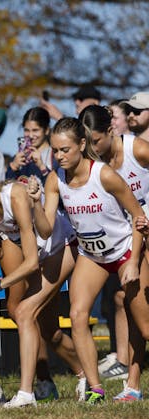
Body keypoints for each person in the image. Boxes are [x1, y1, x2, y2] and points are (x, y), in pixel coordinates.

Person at [0, 160, 84, 407]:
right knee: (49, 331)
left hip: (62, 248)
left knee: (24, 312)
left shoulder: (14, 196)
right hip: (34, 251)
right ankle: (85, 375)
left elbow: (32, 262)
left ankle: (26, 393)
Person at [39, 117, 149, 403]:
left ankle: (133, 385)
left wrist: (135, 261)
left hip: (125, 250)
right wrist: (33, 202)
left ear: (82, 145)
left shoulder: (104, 175)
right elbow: (46, 228)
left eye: (65, 150)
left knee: (146, 327)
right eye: (55, 150)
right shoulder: (55, 179)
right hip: (92, 256)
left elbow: (139, 218)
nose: (59, 156)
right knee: (77, 315)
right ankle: (95, 389)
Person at [80, 104, 149, 393]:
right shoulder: (95, 164)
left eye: (96, 141)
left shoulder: (139, 150)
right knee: (127, 301)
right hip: (128, 238)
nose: (92, 149)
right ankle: (132, 383)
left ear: (111, 130)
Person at [5, 107, 55, 183]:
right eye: (26, 130)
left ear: (47, 130)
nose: (31, 135)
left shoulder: (56, 156)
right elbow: (7, 189)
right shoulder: (19, 157)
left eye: (35, 130)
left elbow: (57, 188)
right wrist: (13, 168)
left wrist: (42, 167)